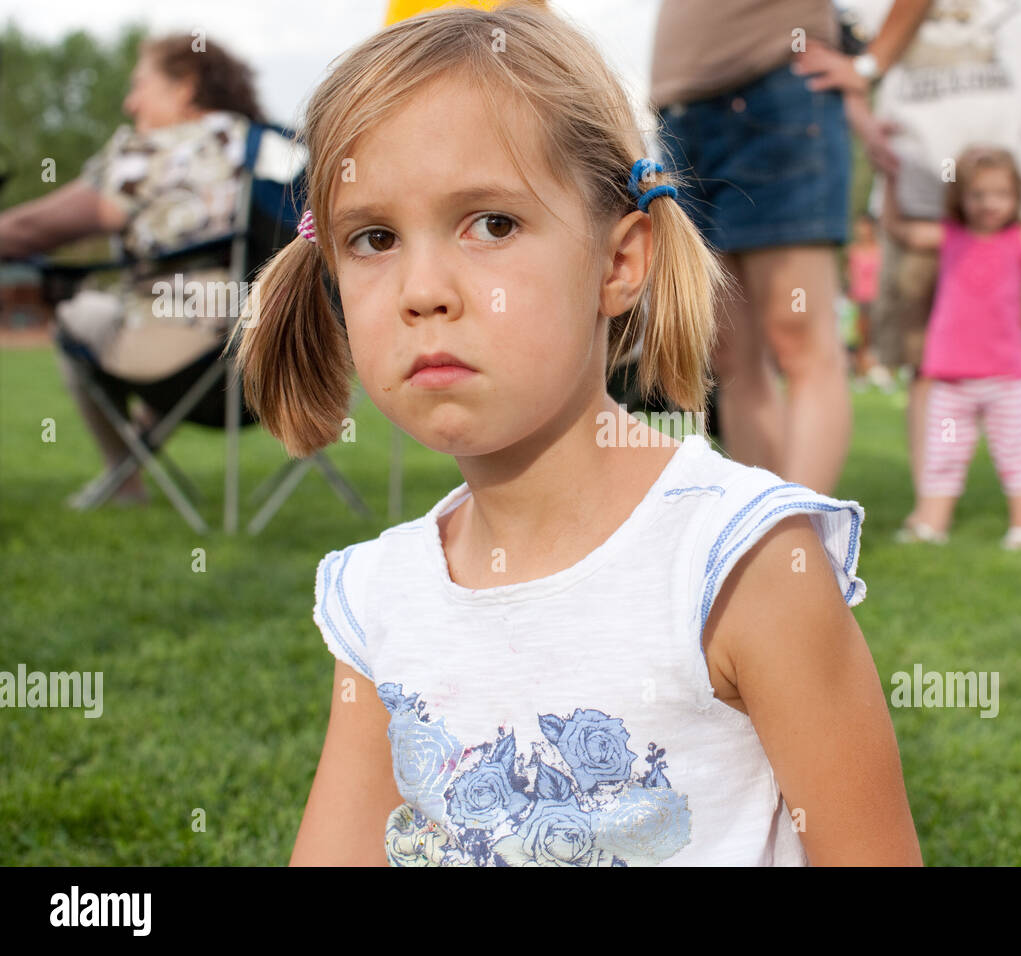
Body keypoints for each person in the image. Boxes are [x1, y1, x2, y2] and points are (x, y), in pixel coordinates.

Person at [234, 4, 921, 867]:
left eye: (491, 223)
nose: (423, 289)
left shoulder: (739, 564)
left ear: (618, 263)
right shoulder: (380, 597)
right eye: (374, 238)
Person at [650, 0, 932, 496]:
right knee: (729, 355)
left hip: (777, 97)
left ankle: (804, 549)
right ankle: (767, 537)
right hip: (681, 112)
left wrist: (870, 64)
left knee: (799, 338)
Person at [846, 0, 1021, 548]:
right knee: (923, 365)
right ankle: (927, 512)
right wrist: (868, 134)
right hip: (917, 195)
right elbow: (852, 62)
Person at [0, 34, 265, 506]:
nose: (129, 102)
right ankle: (130, 466)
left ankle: (124, 479)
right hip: (278, 365)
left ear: (184, 87)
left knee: (81, 313)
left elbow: (32, 230)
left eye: (140, 85)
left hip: (180, 357)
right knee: (157, 331)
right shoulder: (272, 151)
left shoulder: (151, 151)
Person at [884, 146, 1021, 549]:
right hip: (950, 378)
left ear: (1016, 197)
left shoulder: (1020, 240)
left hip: (1007, 377)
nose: (989, 204)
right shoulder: (949, 236)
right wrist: (890, 181)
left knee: (1016, 455)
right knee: (942, 456)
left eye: (1000, 194)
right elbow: (900, 229)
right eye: (977, 194)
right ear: (961, 198)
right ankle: (932, 526)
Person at [847, 213, 882, 381]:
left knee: (877, 337)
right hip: (859, 299)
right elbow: (851, 275)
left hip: (877, 298)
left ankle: (879, 370)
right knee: (861, 338)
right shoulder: (853, 250)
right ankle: (860, 373)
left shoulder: (880, 249)